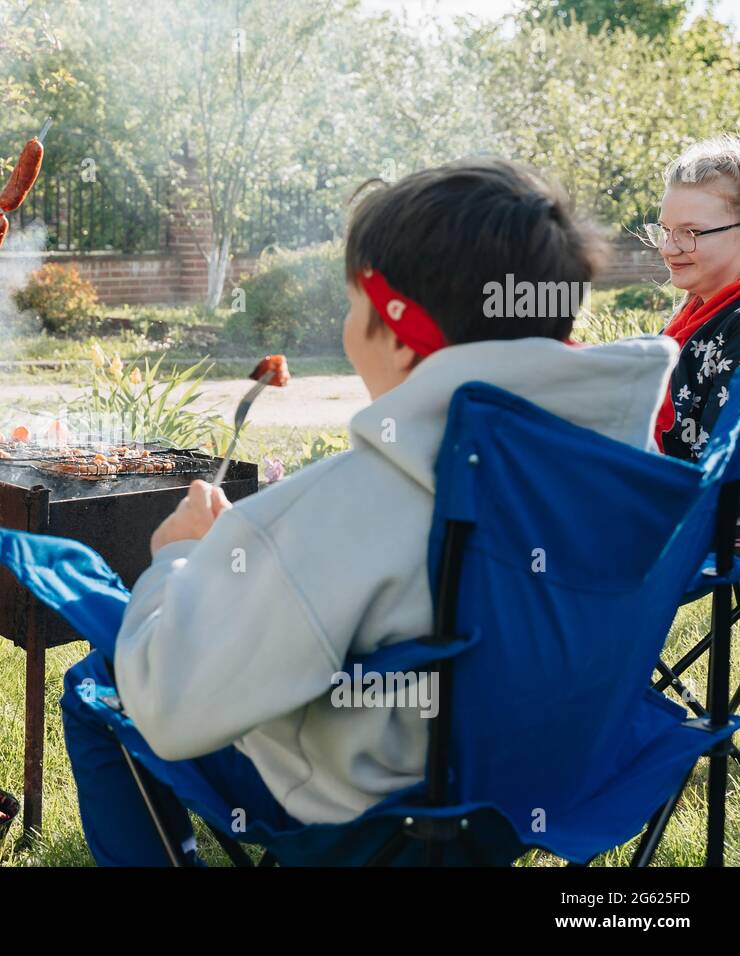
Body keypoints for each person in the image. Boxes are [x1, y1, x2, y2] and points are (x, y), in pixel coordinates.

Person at [59, 158, 680, 865]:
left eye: (351, 304)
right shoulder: (620, 468)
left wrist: (177, 558)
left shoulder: (347, 505)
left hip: (371, 809)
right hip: (544, 783)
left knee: (96, 686)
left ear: (392, 324)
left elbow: (170, 709)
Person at [651, 136, 740, 460]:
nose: (668, 248)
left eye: (691, 233)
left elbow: (715, 468)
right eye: (664, 230)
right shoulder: (693, 313)